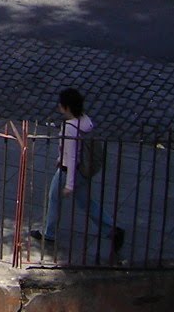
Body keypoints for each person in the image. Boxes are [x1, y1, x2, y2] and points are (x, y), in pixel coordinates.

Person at [31, 87, 124, 255]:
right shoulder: (85, 121)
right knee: (86, 203)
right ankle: (112, 230)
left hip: (68, 171)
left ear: (67, 107)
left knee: (54, 198)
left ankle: (49, 233)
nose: (59, 107)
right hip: (83, 171)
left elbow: (72, 156)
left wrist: (69, 184)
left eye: (61, 104)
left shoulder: (70, 128)